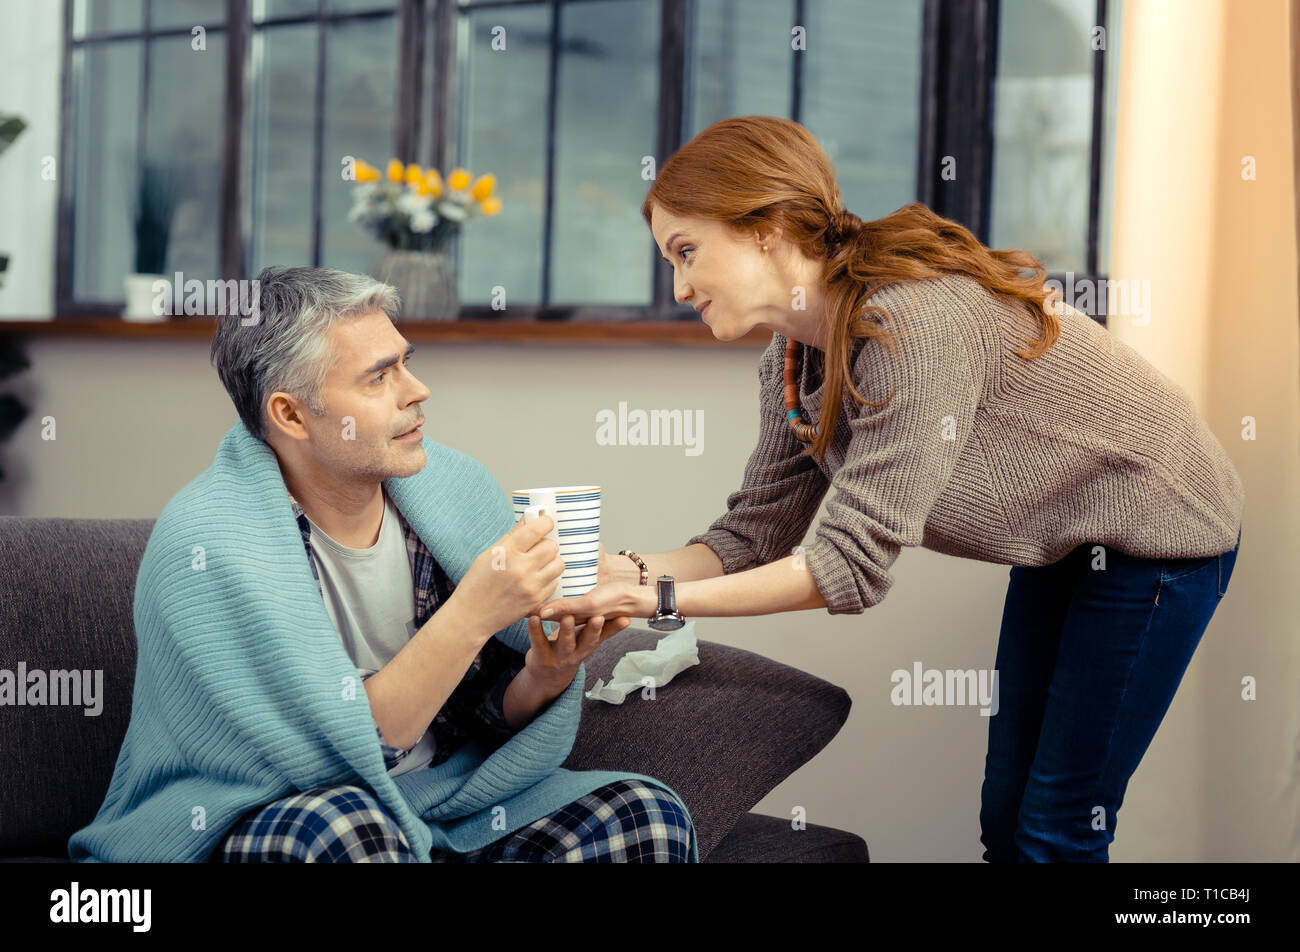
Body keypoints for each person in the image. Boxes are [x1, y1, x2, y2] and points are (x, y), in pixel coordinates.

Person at [535, 115, 1244, 862]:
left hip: (1162, 532)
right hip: (1069, 541)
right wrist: (624, 572)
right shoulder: (793, 356)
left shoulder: (911, 326)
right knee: (1007, 822)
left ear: (769, 228)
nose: (678, 287)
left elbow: (848, 568)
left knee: (1056, 828)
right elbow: (750, 537)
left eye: (687, 253)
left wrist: (656, 599)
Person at [69, 266, 694, 864]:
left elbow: (474, 713)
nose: (417, 391)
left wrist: (546, 673)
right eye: (378, 377)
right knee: (349, 829)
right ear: (290, 415)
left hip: (444, 802)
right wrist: (474, 612)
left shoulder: (452, 489)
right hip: (273, 812)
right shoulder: (206, 546)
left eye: (407, 362)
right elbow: (341, 753)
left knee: (644, 815)